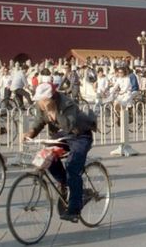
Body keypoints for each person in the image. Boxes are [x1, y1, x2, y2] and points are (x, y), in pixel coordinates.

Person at [24, 82, 96, 223]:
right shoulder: (41, 105)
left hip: (80, 135)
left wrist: (53, 112)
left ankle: (74, 209)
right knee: (47, 156)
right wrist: (30, 133)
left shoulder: (66, 103)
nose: (40, 103)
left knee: (72, 166)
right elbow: (39, 121)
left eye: (42, 100)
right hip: (63, 135)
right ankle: (66, 184)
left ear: (50, 98)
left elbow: (69, 125)